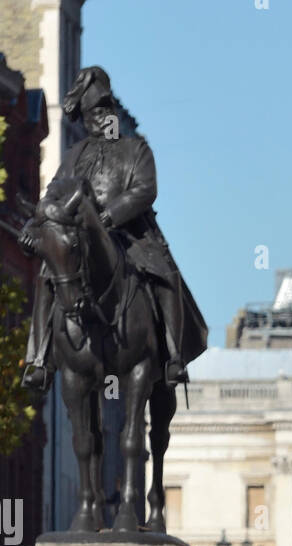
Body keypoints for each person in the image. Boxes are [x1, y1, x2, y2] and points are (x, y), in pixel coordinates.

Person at [20, 66, 206, 390]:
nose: (103, 116)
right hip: (80, 239)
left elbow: (144, 190)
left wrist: (107, 218)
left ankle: (173, 356)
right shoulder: (73, 156)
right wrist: (33, 227)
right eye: (95, 111)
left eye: (107, 108)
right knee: (49, 279)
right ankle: (39, 359)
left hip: (131, 234)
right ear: (84, 116)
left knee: (166, 276)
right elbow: (53, 195)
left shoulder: (135, 149)